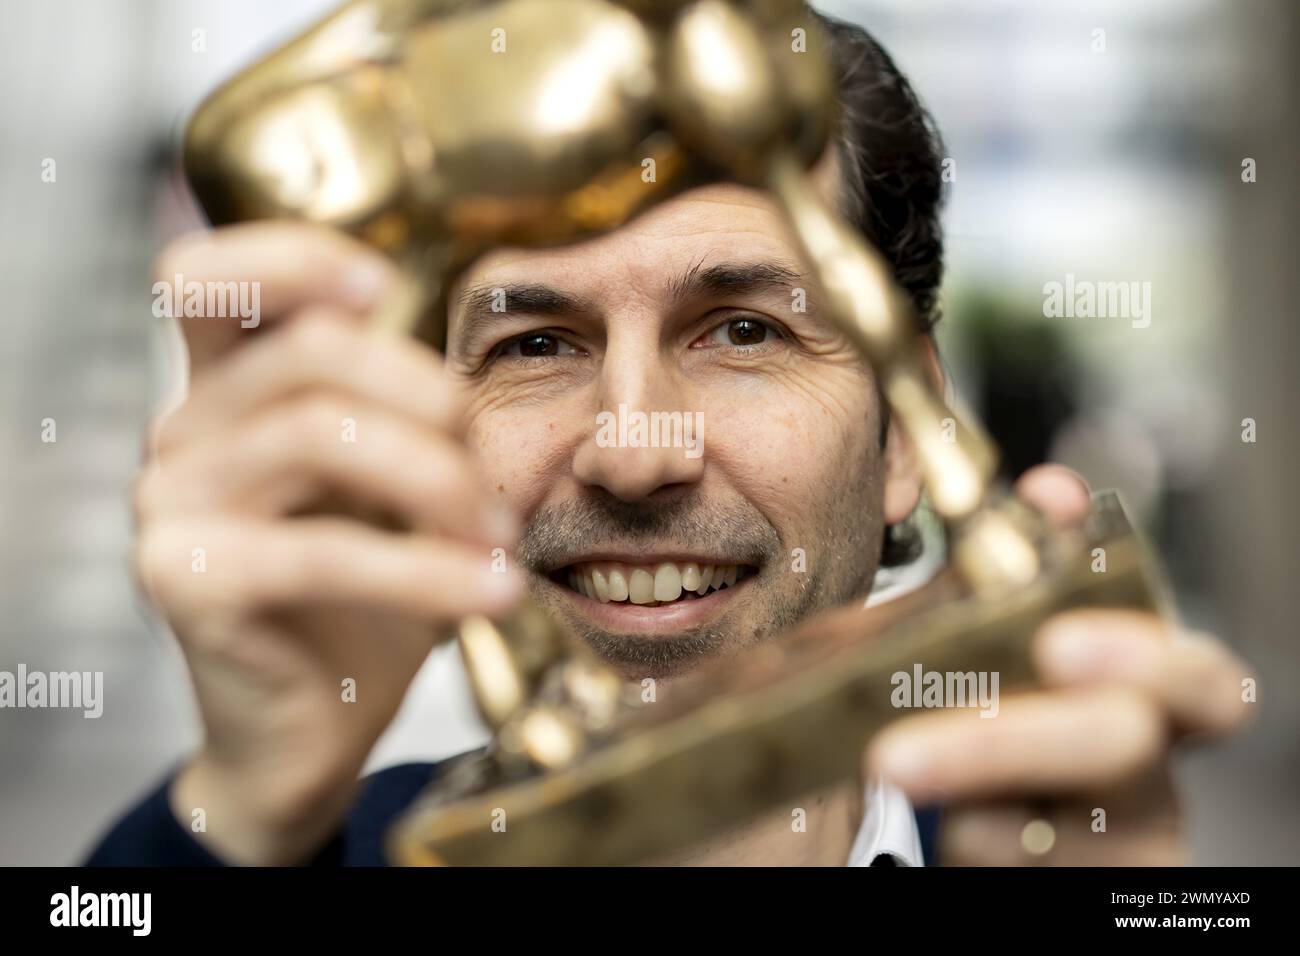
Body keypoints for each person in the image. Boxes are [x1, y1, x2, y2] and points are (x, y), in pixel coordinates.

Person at [87, 10, 1251, 867]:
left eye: (741, 329)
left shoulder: (1074, 846)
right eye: (534, 345)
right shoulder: (307, 847)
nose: (633, 450)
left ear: (906, 433)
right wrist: (239, 810)